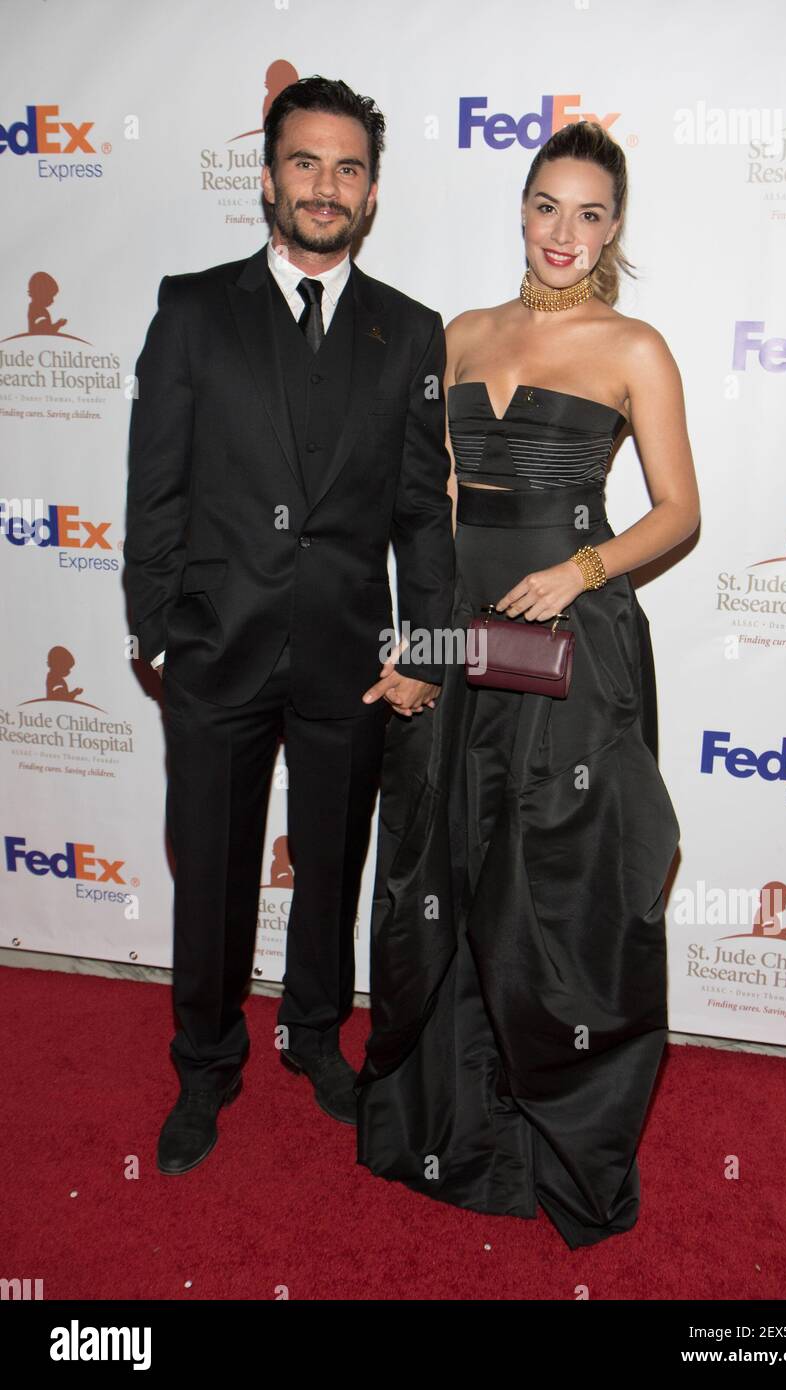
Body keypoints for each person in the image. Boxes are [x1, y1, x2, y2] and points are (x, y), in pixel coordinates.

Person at [355, 120, 700, 1249]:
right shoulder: (457, 334)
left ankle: (566, 1138)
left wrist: (580, 569)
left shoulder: (632, 346)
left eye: (589, 213)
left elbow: (677, 511)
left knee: (556, 894)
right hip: (465, 640)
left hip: (573, 646)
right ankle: (454, 1129)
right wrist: (416, 642)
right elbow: (438, 510)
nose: (564, 232)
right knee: (446, 868)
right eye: (546, 205)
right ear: (521, 208)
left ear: (614, 227)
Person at [124, 76, 454, 1175]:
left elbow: (418, 508)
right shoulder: (192, 308)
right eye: (305, 163)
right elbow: (155, 484)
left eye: (348, 168)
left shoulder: (407, 331)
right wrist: (159, 628)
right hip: (216, 647)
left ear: (371, 193)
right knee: (213, 872)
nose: (326, 186)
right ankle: (203, 1064)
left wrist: (426, 643)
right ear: (267, 178)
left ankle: (314, 1035)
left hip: (349, 658)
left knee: (331, 863)